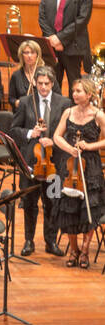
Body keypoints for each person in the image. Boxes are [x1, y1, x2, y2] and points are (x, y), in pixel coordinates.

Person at [10, 65, 69, 256]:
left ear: (52, 83)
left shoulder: (64, 103)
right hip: (31, 163)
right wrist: (30, 132)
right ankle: (29, 241)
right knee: (29, 202)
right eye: (40, 83)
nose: (43, 87)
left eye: (47, 83)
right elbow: (13, 129)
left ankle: (51, 241)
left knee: (52, 201)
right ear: (34, 83)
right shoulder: (26, 102)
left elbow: (69, 131)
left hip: (55, 164)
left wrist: (55, 140)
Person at [50, 78, 105, 268]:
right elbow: (57, 136)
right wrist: (70, 149)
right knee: (68, 207)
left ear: (89, 95)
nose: (74, 94)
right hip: (69, 164)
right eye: (73, 91)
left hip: (91, 166)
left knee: (89, 206)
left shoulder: (99, 115)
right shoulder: (68, 112)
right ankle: (73, 250)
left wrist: (89, 146)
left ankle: (85, 251)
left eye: (79, 91)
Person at [38, 0, 93, 88]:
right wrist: (52, 38)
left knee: (74, 87)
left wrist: (60, 38)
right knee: (51, 85)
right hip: (50, 46)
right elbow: (42, 17)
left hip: (72, 46)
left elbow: (82, 20)